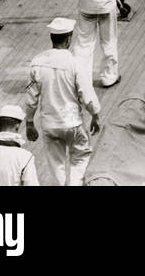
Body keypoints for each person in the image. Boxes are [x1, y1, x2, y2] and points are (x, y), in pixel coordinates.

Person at [24, 18, 100, 187]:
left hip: (50, 124)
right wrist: (95, 114)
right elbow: (86, 93)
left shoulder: (37, 63)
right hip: (73, 122)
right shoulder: (75, 63)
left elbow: (31, 97)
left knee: (56, 163)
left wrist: (29, 122)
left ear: (52, 38)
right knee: (80, 157)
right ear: (68, 39)